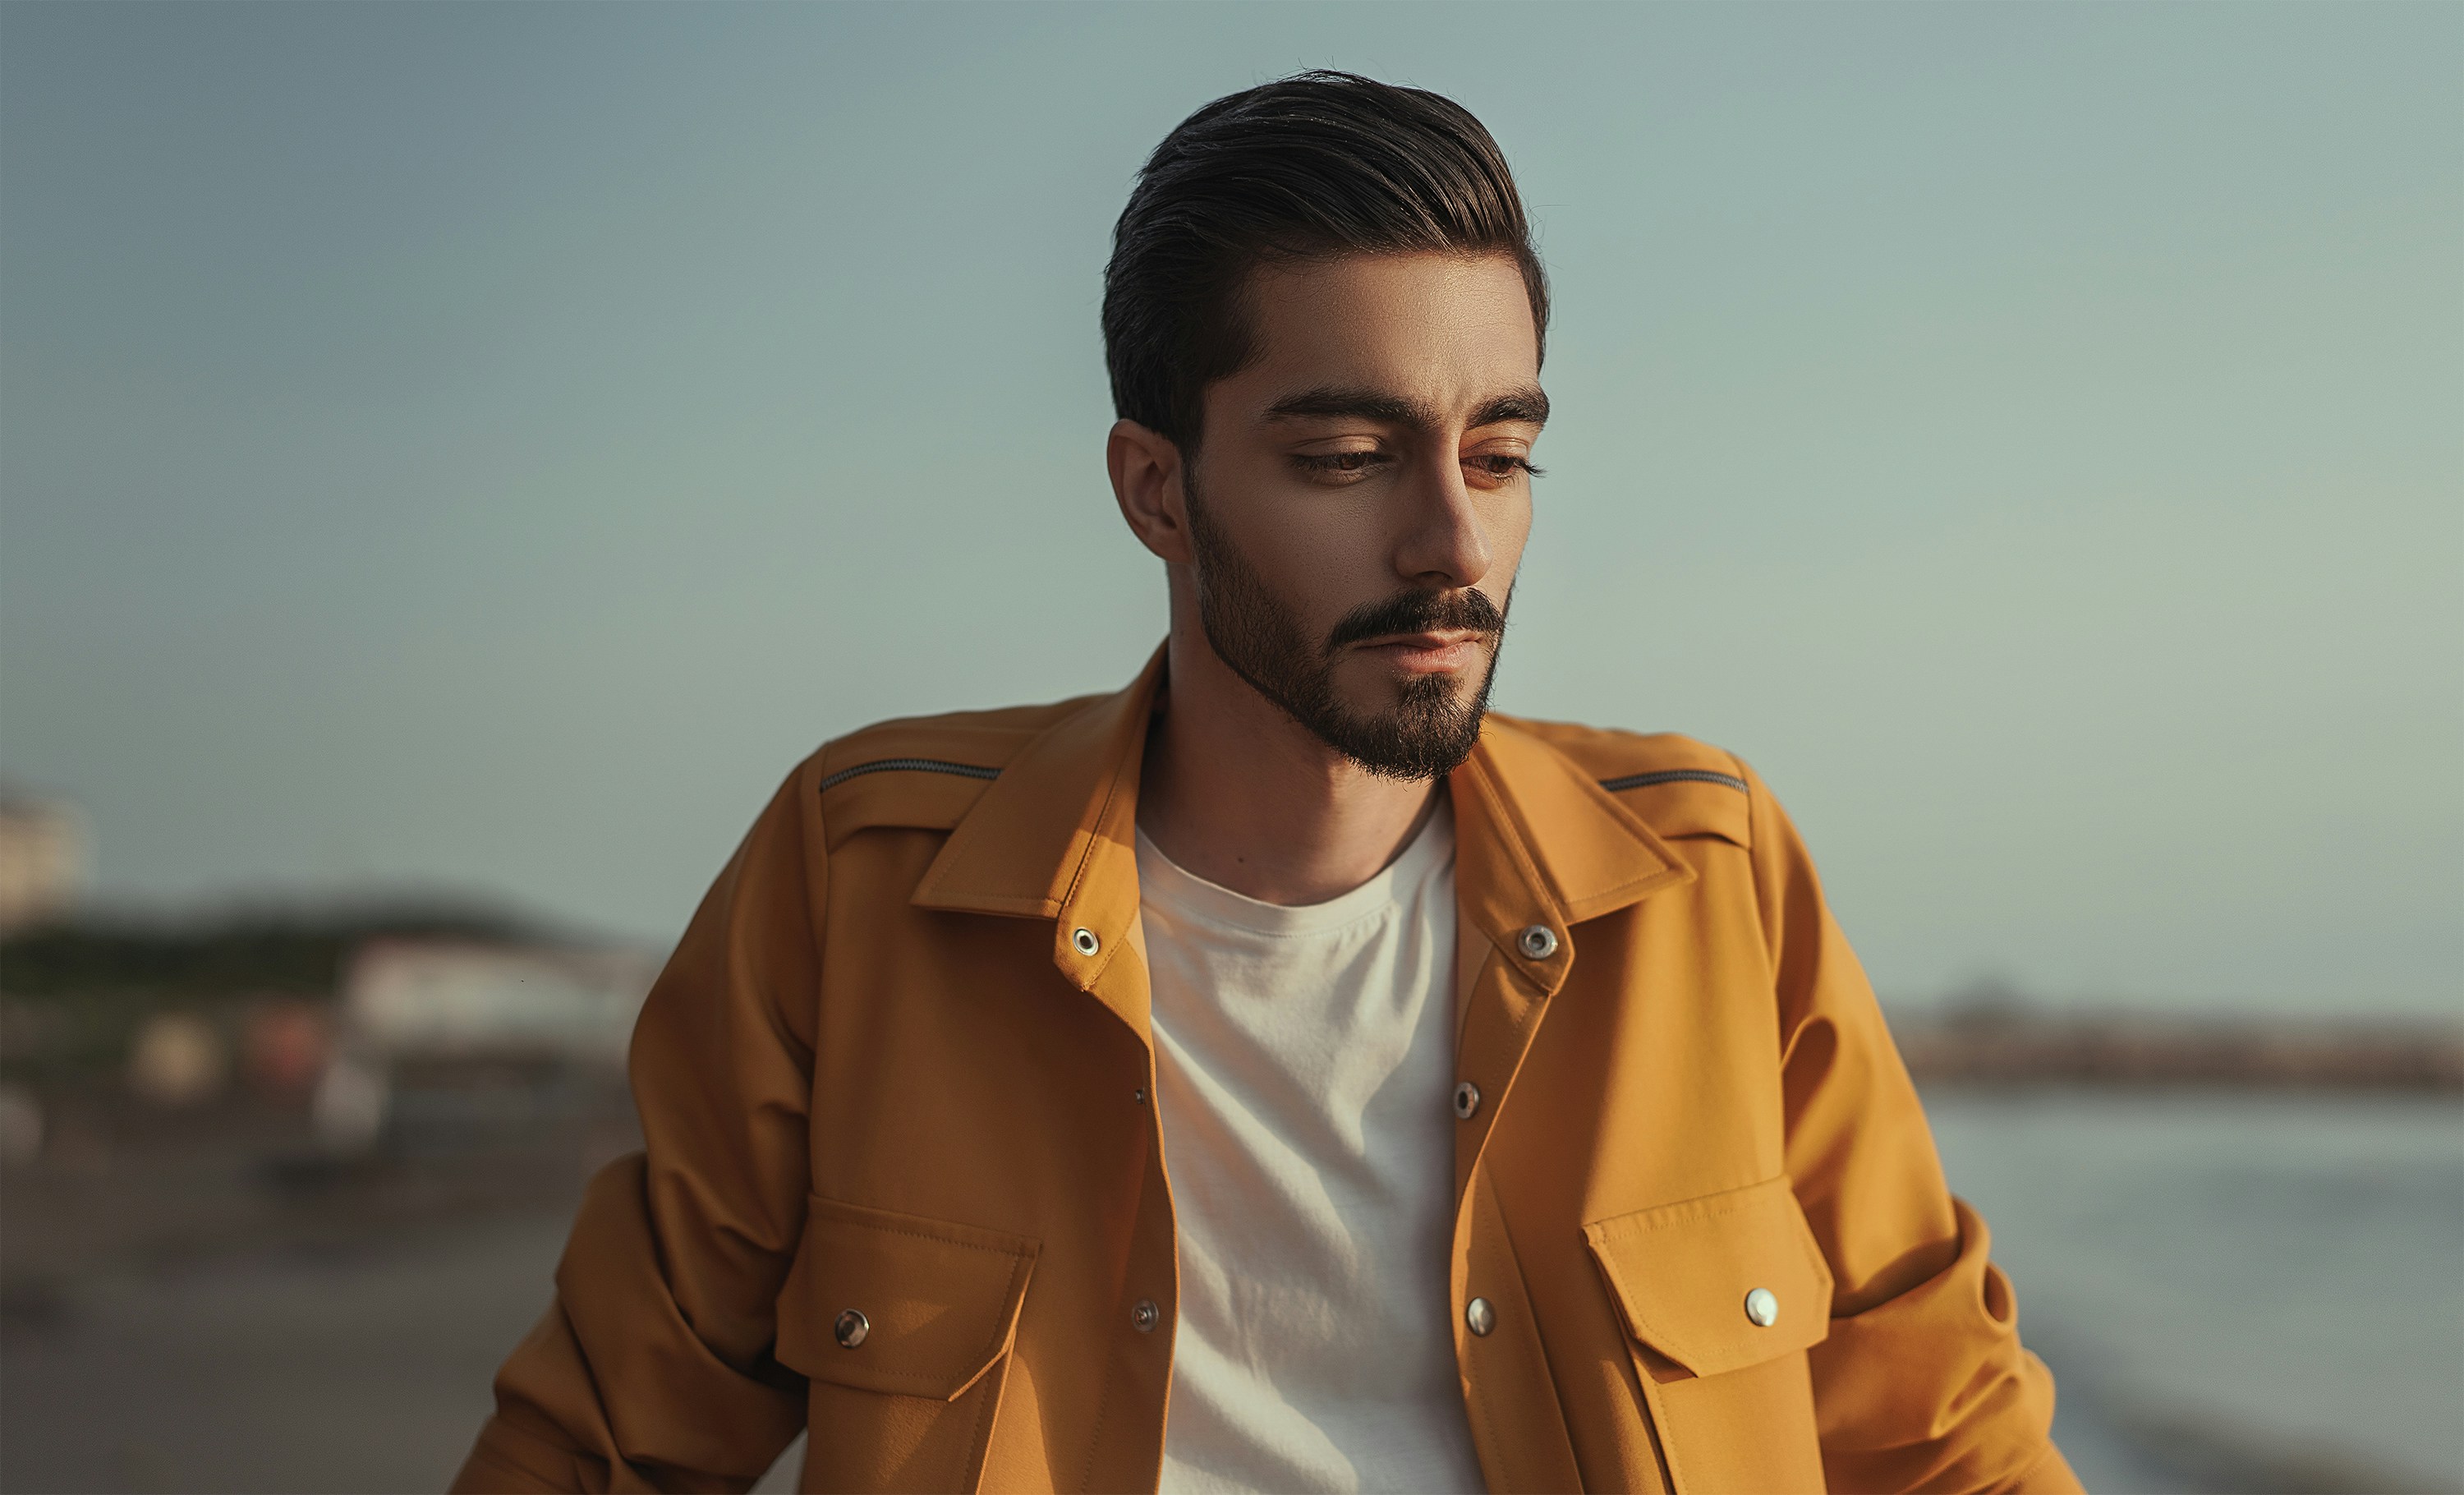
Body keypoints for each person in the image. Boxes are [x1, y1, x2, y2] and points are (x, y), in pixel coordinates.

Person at [453, 71, 2080, 1495]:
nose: (1454, 541)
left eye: (1499, 454)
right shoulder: (866, 875)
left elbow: (1951, 1446)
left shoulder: (1704, 876)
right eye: (1347, 457)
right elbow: (603, 1448)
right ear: (1156, 490)